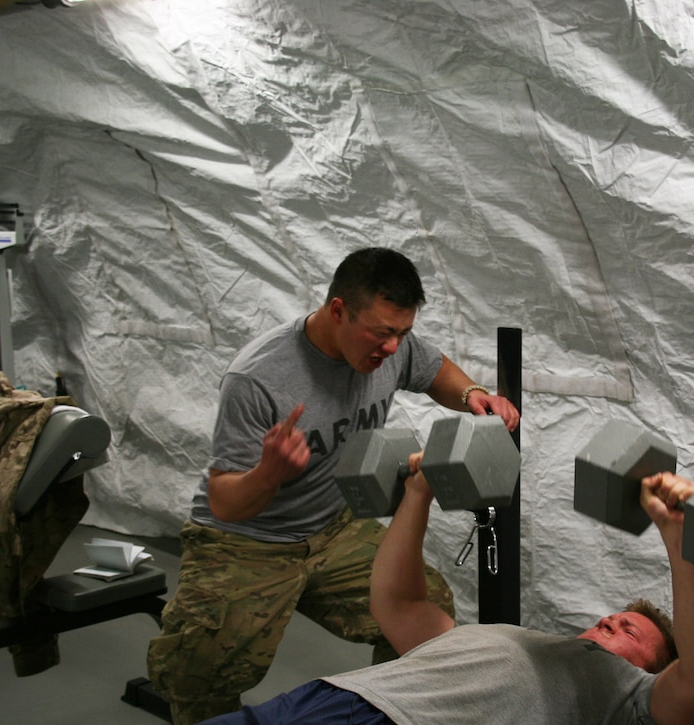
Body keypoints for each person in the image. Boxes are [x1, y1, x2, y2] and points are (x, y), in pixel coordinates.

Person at [146, 247, 521, 725]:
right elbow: (223, 503)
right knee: (197, 671)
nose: (392, 347)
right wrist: (269, 473)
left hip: (334, 529)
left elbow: (434, 368)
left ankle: (392, 713)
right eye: (382, 333)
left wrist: (472, 395)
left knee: (425, 611)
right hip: (246, 542)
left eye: (402, 333)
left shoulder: (393, 347)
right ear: (338, 310)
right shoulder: (258, 377)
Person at [201, 455, 694, 725]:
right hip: (327, 697)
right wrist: (418, 493)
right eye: (613, 616)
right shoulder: (511, 638)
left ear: (653, 668)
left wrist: (679, 537)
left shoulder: (631, 699)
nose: (610, 622)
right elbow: (398, 605)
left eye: (631, 631)